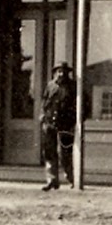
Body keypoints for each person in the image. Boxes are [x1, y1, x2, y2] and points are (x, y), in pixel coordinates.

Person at [40, 62, 76, 190]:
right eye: (59, 71)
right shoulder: (50, 86)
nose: (61, 74)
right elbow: (44, 102)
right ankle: (52, 180)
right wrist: (43, 117)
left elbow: (81, 105)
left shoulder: (73, 87)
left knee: (65, 153)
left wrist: (75, 121)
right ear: (55, 72)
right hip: (50, 123)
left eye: (64, 72)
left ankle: (72, 179)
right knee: (49, 153)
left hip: (66, 124)